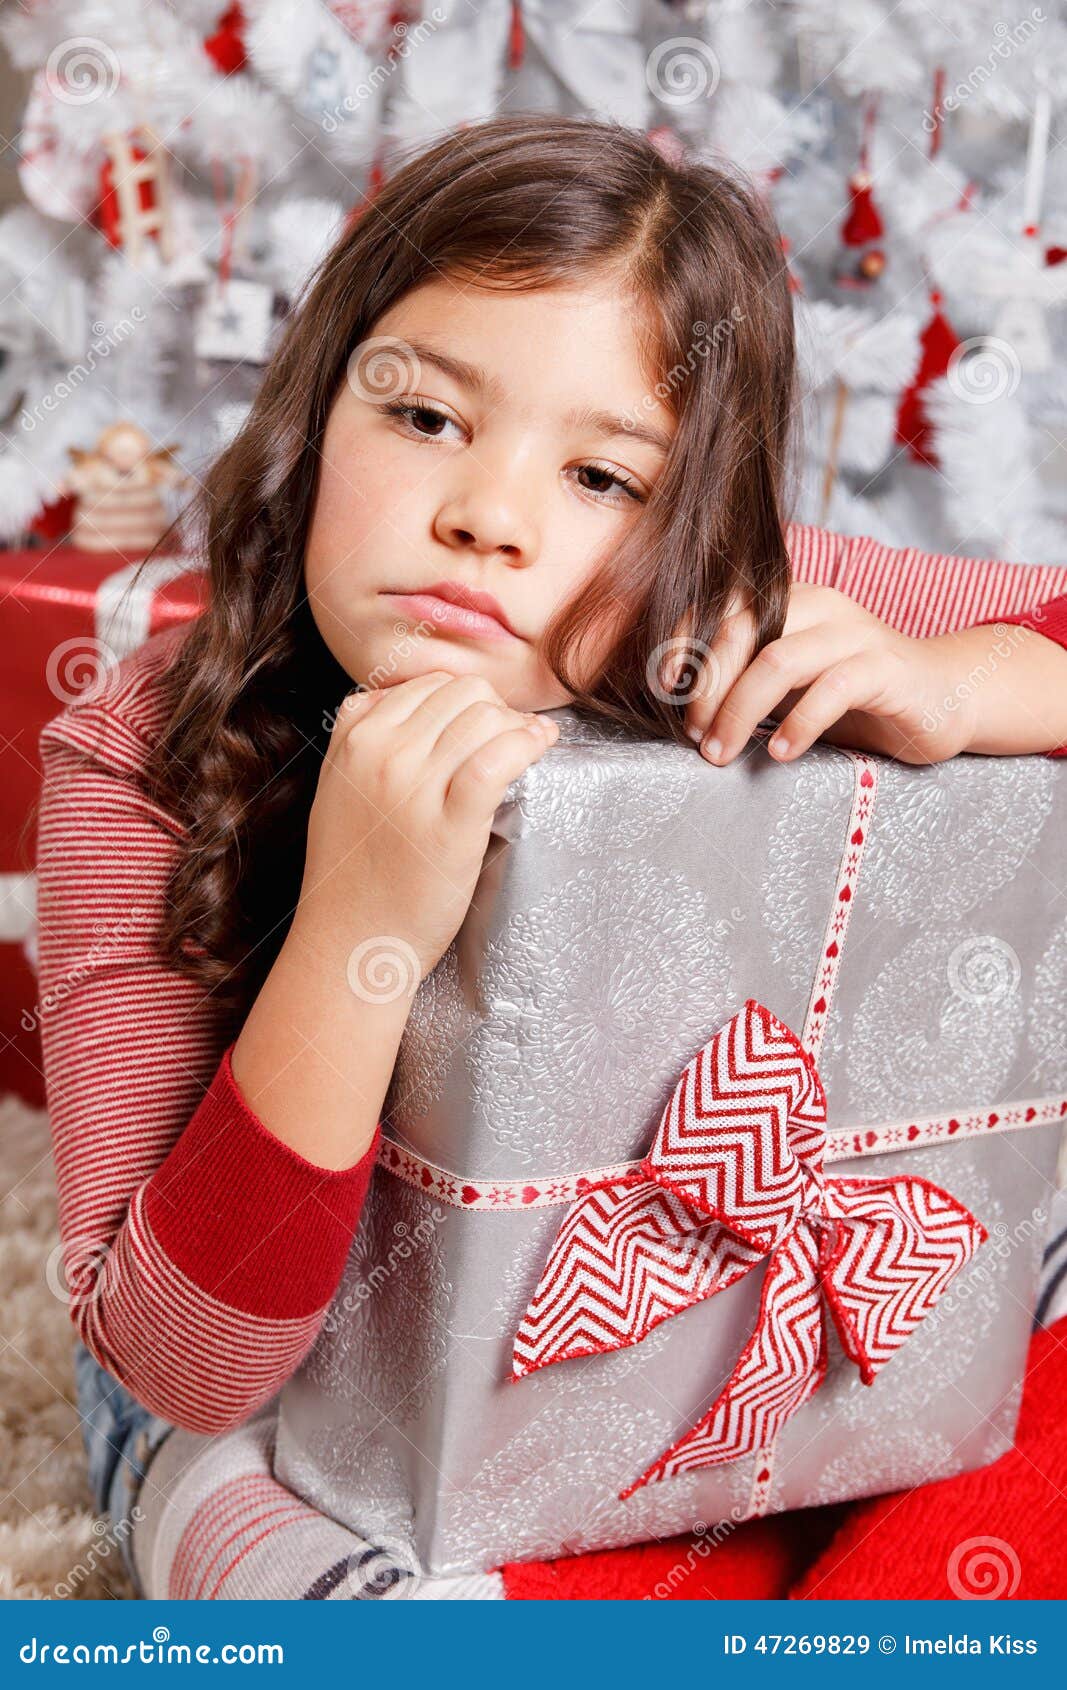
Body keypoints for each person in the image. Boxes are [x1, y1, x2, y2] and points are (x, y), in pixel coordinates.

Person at [35, 112, 1067, 1600]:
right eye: (427, 418)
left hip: (686, 1282)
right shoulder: (140, 749)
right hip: (280, 1371)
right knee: (255, 1526)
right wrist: (359, 925)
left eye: (604, 480)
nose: (489, 518)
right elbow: (186, 1352)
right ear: (319, 413)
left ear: (700, 530)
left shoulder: (726, 599)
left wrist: (961, 679)